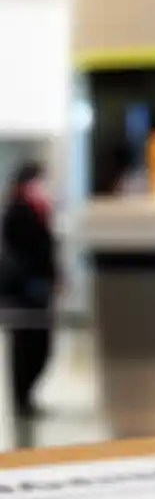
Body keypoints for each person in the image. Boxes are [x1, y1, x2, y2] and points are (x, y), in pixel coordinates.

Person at [0, 162, 57, 420]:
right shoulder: (17, 211)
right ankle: (22, 400)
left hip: (39, 288)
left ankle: (28, 396)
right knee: (25, 347)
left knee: (41, 345)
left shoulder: (38, 209)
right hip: (23, 290)